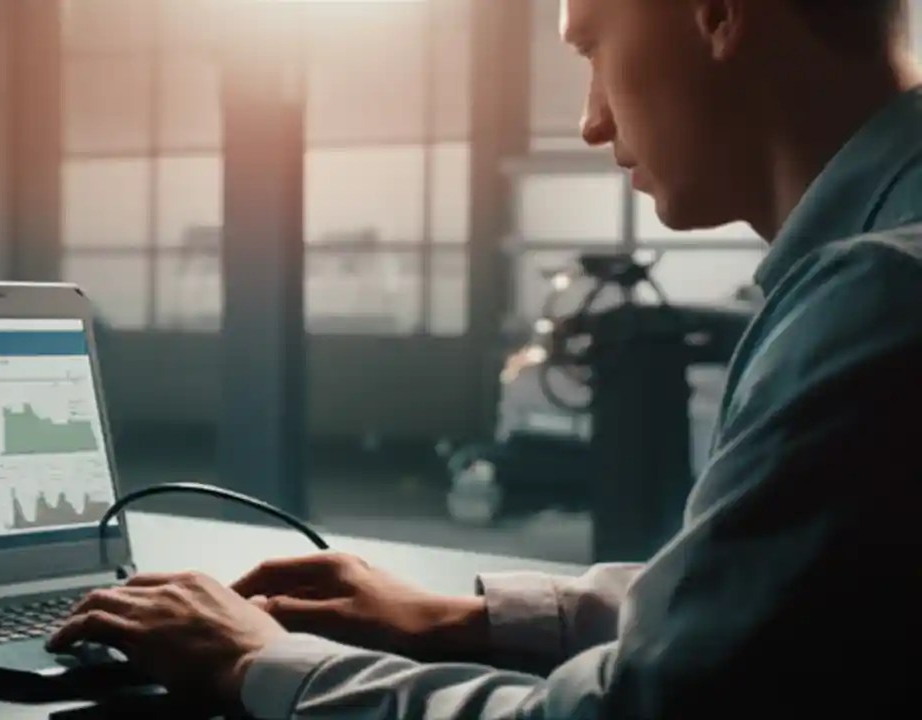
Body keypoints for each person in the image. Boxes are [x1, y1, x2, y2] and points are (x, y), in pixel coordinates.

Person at [48, 0, 922, 716]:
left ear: (720, 13)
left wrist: (266, 664)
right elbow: (770, 611)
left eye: (593, 49)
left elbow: (640, 712)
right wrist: (465, 620)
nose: (590, 121)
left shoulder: (877, 299)